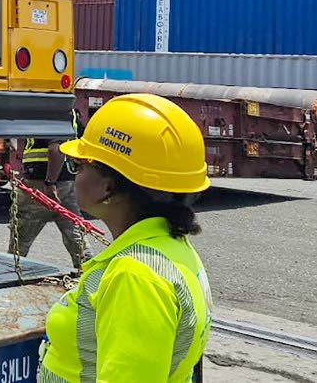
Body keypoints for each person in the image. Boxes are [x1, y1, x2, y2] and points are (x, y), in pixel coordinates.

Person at [39, 93, 212, 383]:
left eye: (80, 166)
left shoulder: (135, 278)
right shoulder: (171, 247)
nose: (74, 175)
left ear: (108, 187)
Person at [12, 114, 88, 269]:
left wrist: (50, 183)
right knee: (75, 235)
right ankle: (90, 277)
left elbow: (56, 149)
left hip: (41, 183)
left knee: (20, 241)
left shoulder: (51, 110)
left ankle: (11, 274)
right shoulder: (72, 115)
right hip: (66, 181)